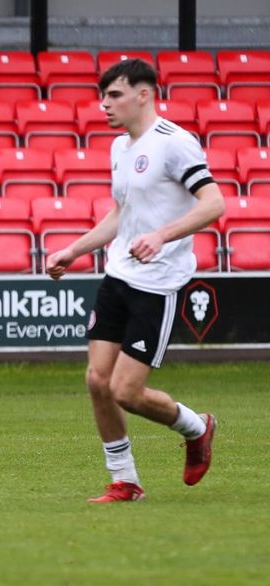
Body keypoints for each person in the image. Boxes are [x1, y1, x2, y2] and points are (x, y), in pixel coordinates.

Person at [46, 58, 224, 503]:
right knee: (97, 380)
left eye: (115, 95)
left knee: (126, 391)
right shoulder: (119, 148)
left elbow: (213, 203)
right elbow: (121, 214)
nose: (105, 104)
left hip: (157, 284)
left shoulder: (174, 143)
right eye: (103, 96)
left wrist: (162, 235)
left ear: (143, 95)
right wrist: (75, 249)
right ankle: (125, 480)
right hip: (118, 276)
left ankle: (197, 428)